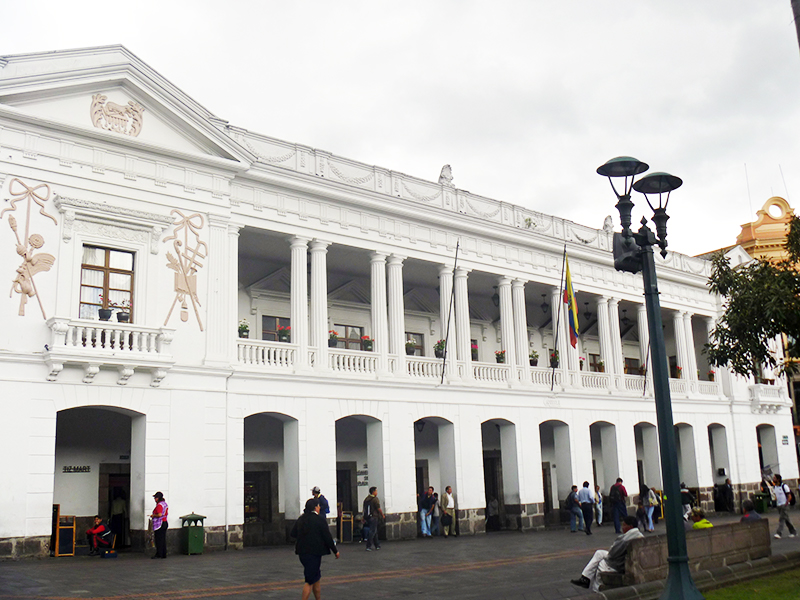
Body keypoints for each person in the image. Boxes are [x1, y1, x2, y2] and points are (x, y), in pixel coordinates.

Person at [570, 515, 643, 592]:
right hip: (628, 560)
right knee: (599, 553)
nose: (622, 527)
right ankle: (585, 578)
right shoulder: (640, 536)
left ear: (630, 526)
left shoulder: (625, 539)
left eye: (624, 525)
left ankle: (596, 589)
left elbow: (612, 554)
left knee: (600, 563)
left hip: (619, 564)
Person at [290, 498, 339, 600]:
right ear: (315, 507)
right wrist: (335, 550)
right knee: (309, 580)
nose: (319, 508)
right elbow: (327, 537)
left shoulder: (301, 519)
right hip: (315, 553)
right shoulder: (320, 519)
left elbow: (293, 534)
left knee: (316, 577)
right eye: (318, 506)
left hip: (302, 552)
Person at [771, 474, 797, 539]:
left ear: (778, 479)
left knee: (782, 519)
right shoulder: (775, 487)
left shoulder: (784, 486)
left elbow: (789, 496)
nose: (773, 479)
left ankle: (779, 533)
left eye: (774, 478)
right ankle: (793, 531)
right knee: (786, 519)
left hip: (784, 505)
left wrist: (787, 503)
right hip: (779, 505)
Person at [362, 486, 385, 551]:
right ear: (373, 492)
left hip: (368, 517)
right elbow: (378, 508)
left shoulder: (366, 499)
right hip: (374, 516)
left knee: (374, 530)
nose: (377, 492)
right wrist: (382, 514)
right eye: (376, 491)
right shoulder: (375, 499)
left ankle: (377, 544)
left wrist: (363, 517)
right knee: (372, 531)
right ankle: (368, 545)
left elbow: (364, 509)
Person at [150, 491, 168, 559]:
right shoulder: (165, 504)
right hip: (165, 522)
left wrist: (153, 515)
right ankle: (163, 553)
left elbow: (159, 514)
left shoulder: (159, 505)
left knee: (158, 539)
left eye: (155, 498)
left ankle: (159, 554)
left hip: (159, 524)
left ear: (158, 498)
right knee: (163, 539)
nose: (155, 499)